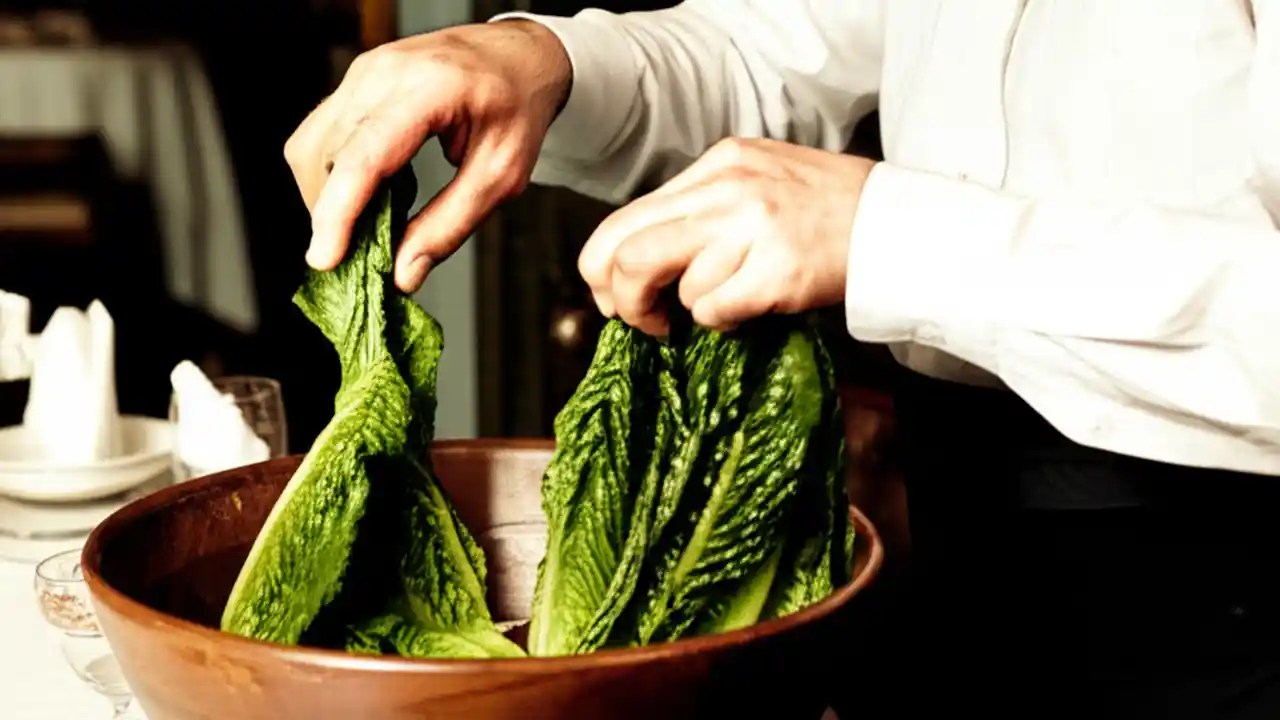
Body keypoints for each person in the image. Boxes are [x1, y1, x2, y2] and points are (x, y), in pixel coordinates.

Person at [282, 2, 1280, 716]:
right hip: (954, 517)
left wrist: (885, 234)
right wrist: (542, 59)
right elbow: (776, 52)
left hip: (1226, 564)